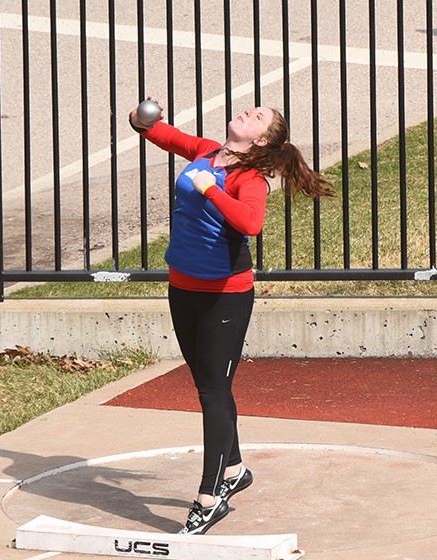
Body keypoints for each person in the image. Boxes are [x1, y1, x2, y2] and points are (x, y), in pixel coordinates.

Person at [131, 100, 333, 535]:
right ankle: (235, 469)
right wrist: (141, 121)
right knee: (208, 385)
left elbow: (251, 223)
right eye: (250, 109)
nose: (246, 112)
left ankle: (210, 495)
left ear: (260, 140)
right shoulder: (206, 152)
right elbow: (163, 135)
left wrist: (210, 190)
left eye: (256, 116)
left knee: (212, 391)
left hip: (226, 295)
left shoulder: (249, 179)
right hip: (182, 286)